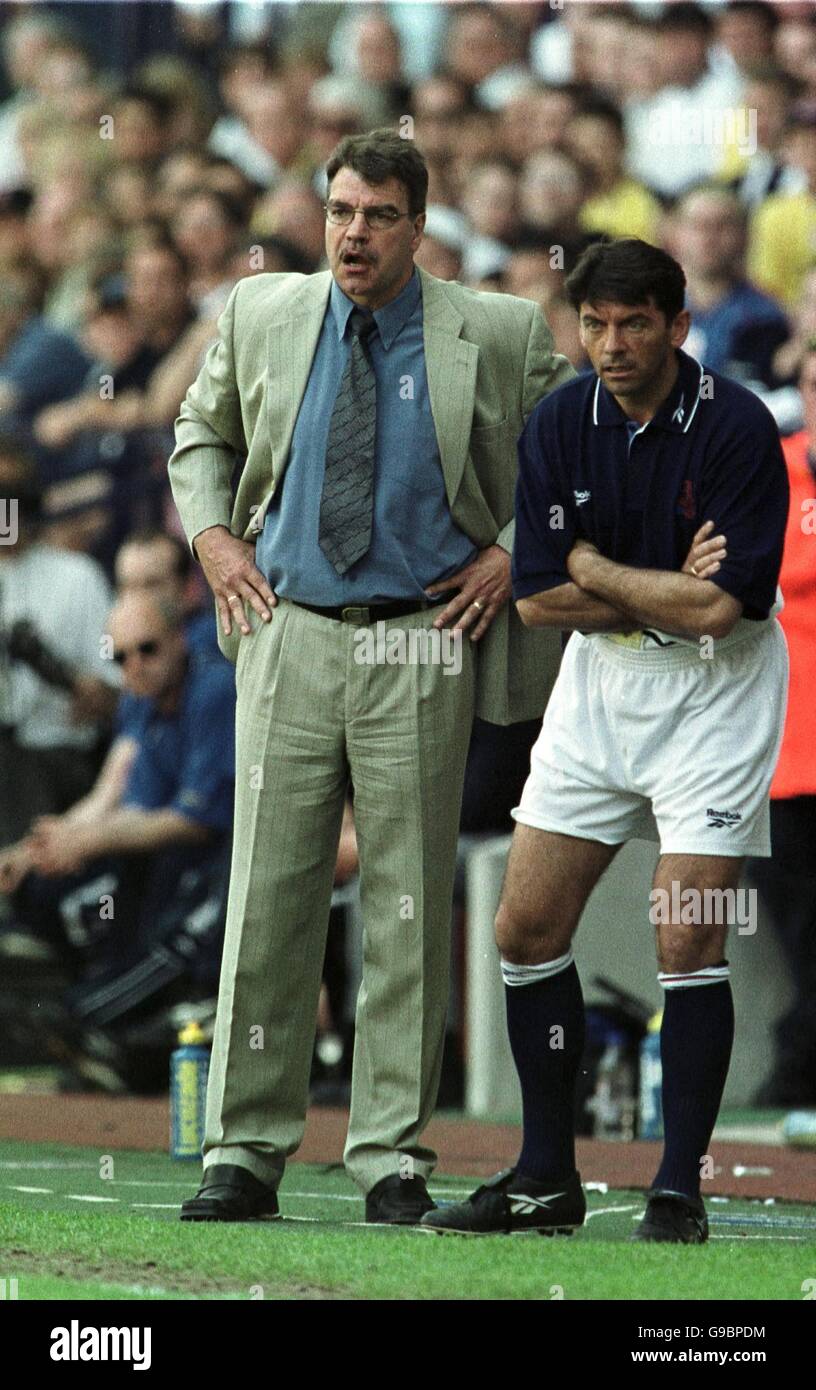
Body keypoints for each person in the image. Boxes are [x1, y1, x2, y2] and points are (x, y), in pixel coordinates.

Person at [167, 128, 572, 1225]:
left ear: (417, 225)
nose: (354, 233)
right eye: (341, 211)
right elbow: (199, 432)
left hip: (422, 632)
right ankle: (244, 1147)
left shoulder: (493, 328)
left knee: (403, 894)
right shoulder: (263, 309)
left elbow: (569, 463)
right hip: (286, 623)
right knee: (267, 892)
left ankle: (390, 1149)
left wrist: (508, 554)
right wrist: (213, 541)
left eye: (378, 215)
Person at [421, 238, 789, 1243]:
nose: (613, 343)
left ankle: (679, 1186)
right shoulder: (557, 418)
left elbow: (720, 610)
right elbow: (536, 601)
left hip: (718, 693)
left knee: (687, 932)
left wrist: (595, 563)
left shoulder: (738, 426)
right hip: (599, 682)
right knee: (523, 928)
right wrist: (651, 577)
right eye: (595, 323)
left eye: (635, 323)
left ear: (678, 325)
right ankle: (547, 1175)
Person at [0, 591, 235, 1061]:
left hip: (228, 860)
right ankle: (89, 1020)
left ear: (178, 640)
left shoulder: (213, 690)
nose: (134, 666)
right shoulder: (140, 701)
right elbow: (121, 800)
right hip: (171, 859)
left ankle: (85, 1024)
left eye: (147, 649)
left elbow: (196, 823)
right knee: (53, 885)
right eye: (119, 657)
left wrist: (87, 839)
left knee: (170, 935)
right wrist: (32, 849)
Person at [748, 343, 816, 1105]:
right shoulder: (773, 470)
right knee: (802, 927)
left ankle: (798, 1064)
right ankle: (799, 1062)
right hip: (785, 751)